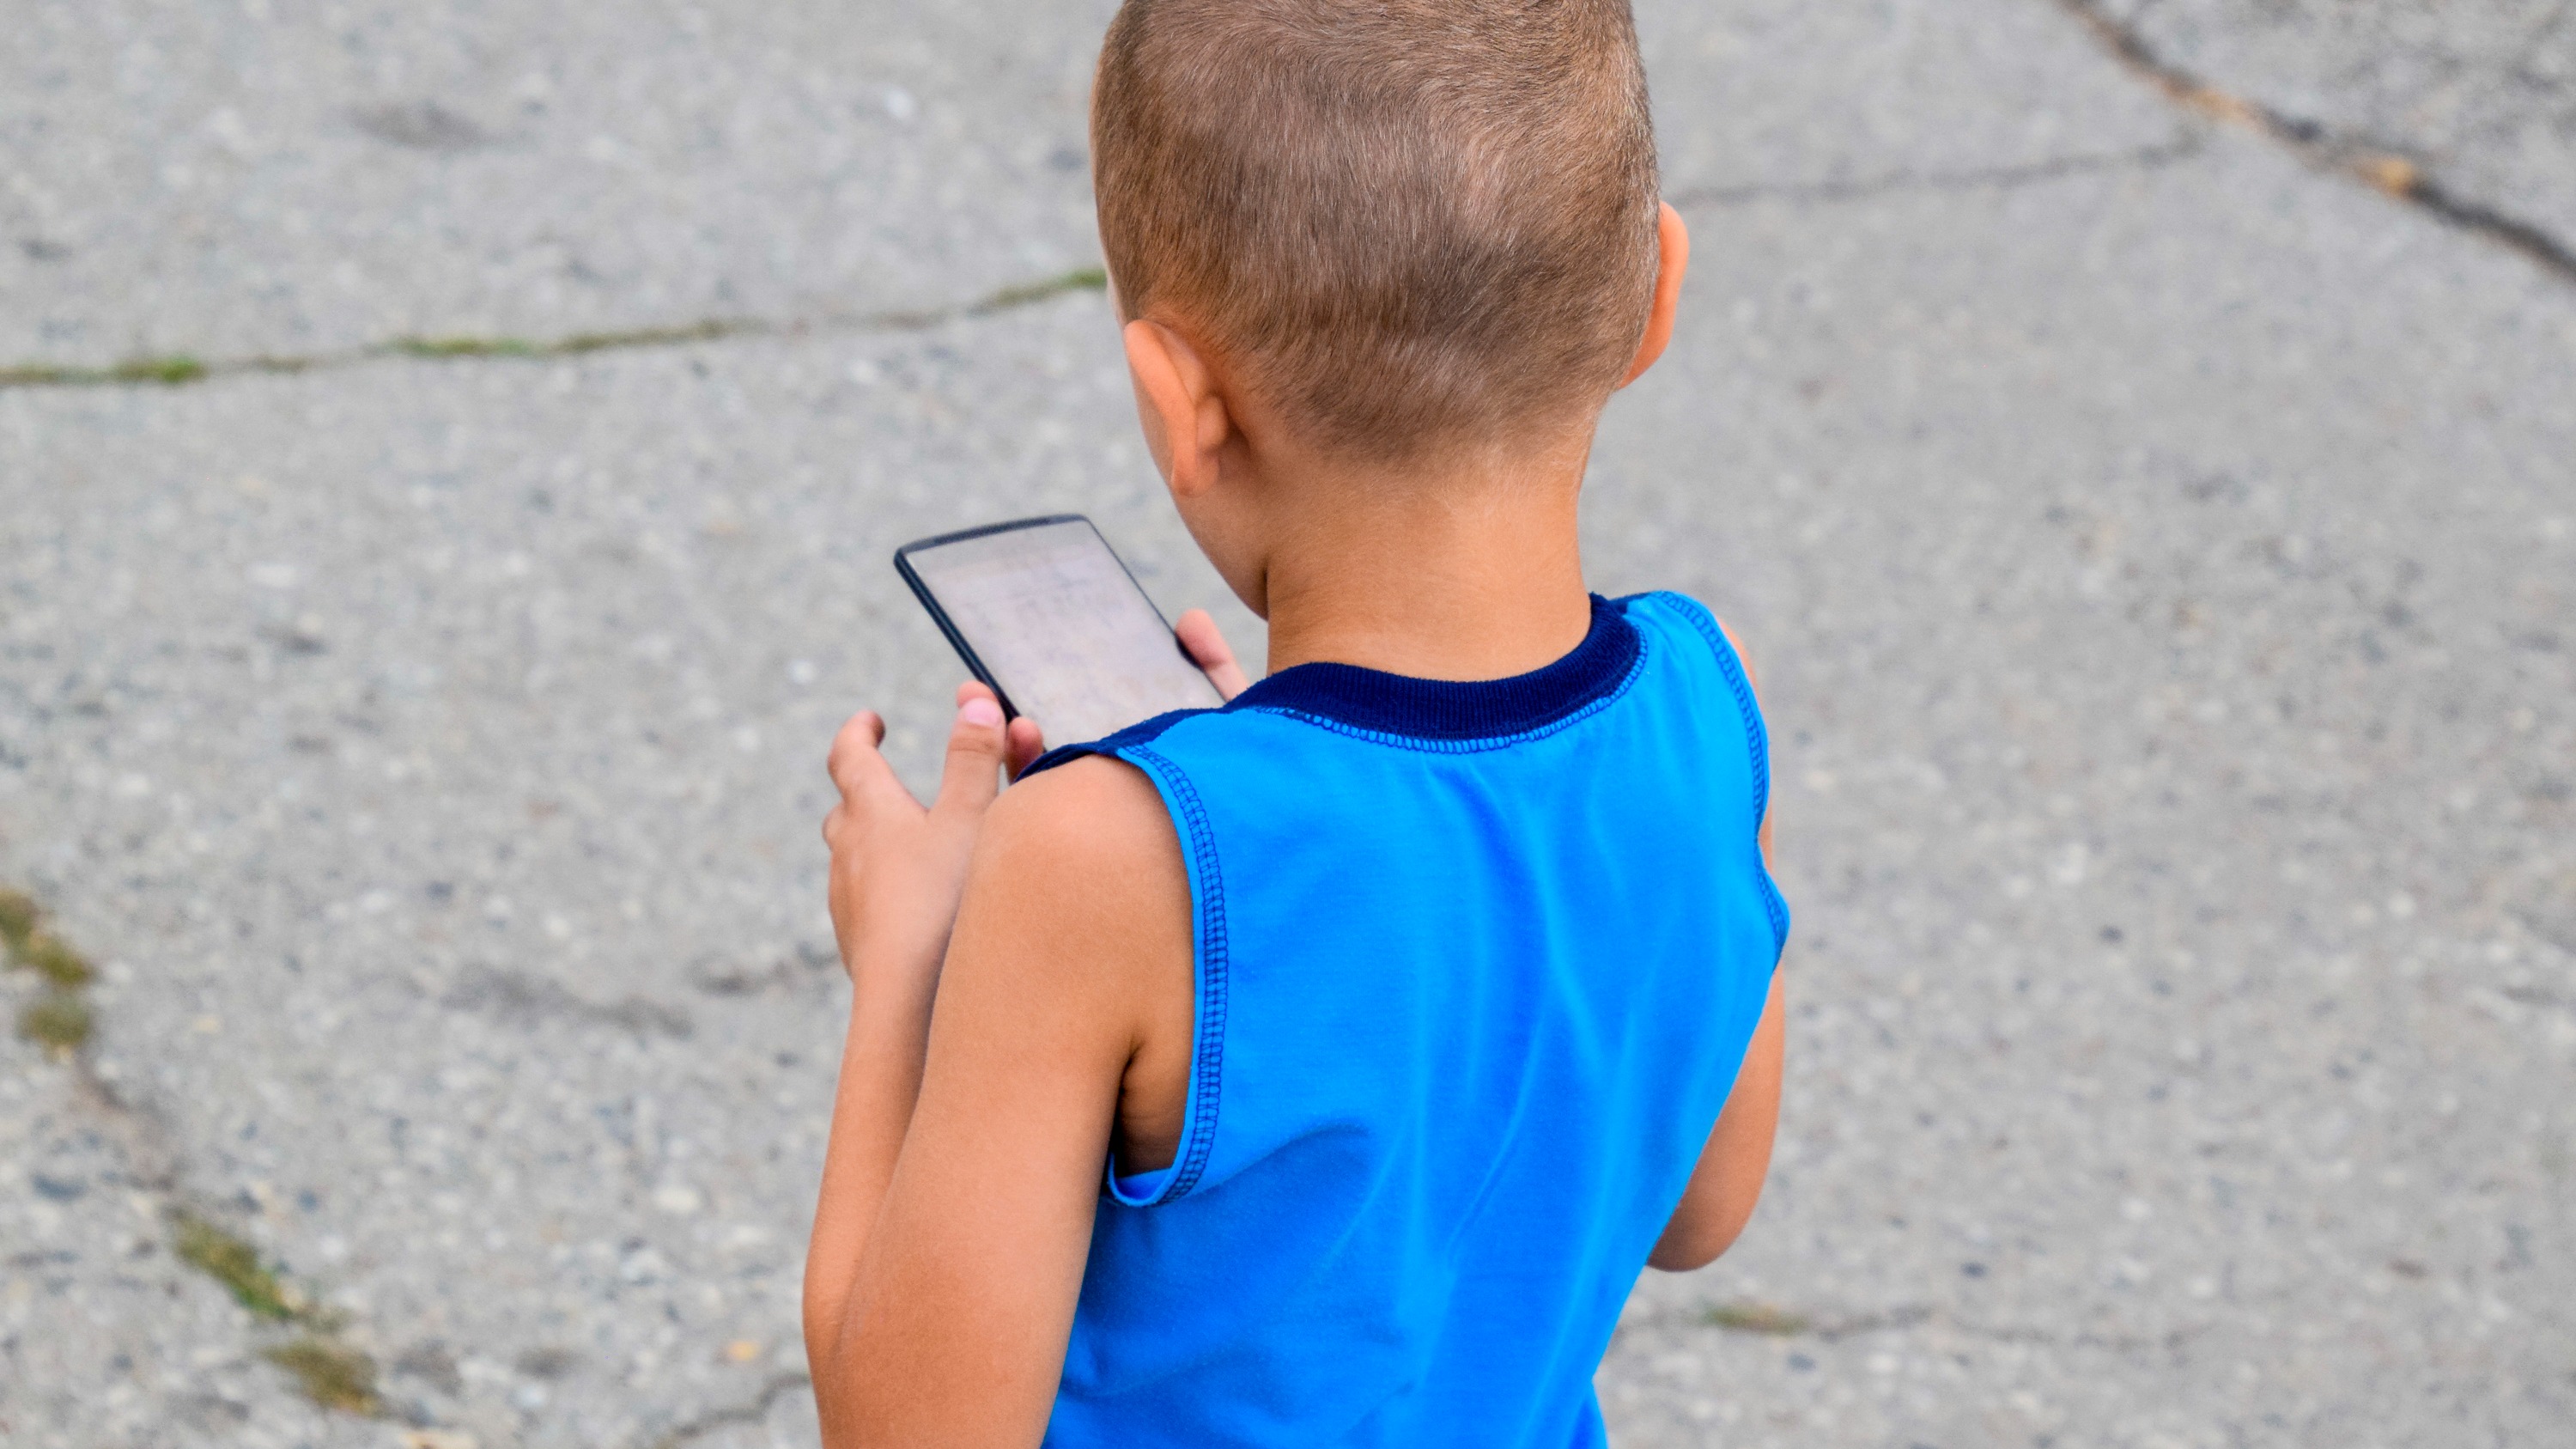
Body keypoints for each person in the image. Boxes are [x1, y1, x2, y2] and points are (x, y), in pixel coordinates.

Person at [801, 2, 1788, 1443]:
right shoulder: (1705, 696)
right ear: (1657, 301)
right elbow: (1700, 1208)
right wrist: (1252, 778)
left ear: (1183, 402)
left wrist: (909, 966)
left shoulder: (1100, 865)